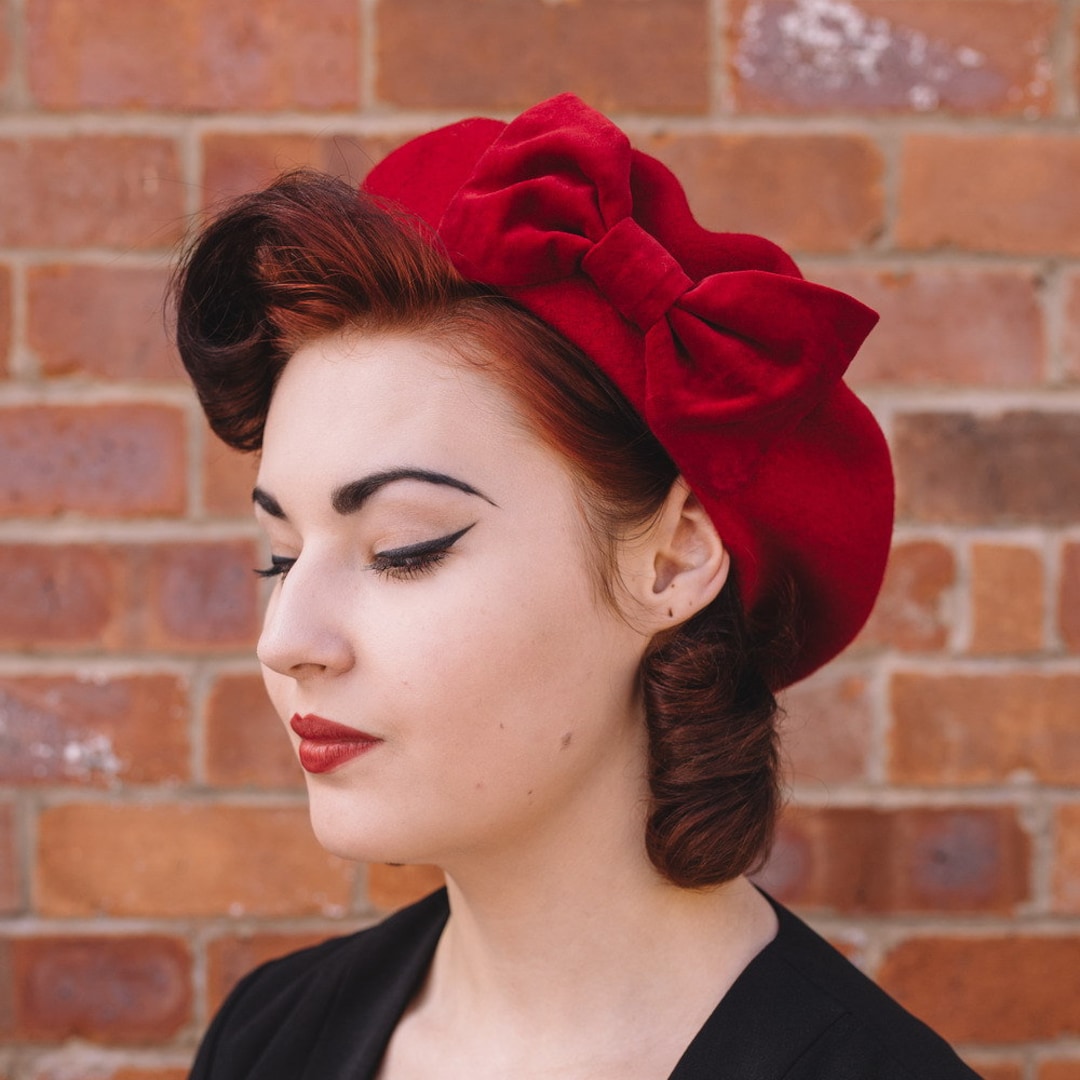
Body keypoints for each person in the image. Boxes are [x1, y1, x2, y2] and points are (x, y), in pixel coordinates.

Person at [176, 94, 980, 1079]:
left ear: (672, 560)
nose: (285, 637)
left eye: (404, 547)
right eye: (281, 554)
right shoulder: (270, 1035)